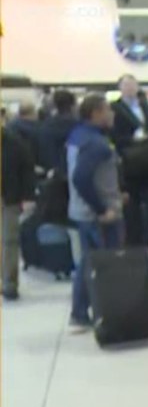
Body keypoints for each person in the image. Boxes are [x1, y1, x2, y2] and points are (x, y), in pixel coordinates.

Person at [67, 95, 126, 331]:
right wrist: (103, 208)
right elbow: (81, 178)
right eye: (107, 110)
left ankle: (80, 312)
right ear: (96, 113)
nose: (112, 114)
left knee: (88, 261)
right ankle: (109, 311)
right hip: (99, 215)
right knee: (107, 264)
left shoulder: (77, 136)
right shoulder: (96, 144)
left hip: (82, 211)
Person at [111, 74, 148, 260]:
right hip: (130, 165)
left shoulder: (146, 107)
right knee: (132, 209)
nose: (130, 88)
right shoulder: (115, 109)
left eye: (132, 85)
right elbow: (115, 136)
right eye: (126, 85)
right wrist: (131, 140)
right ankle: (137, 244)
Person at [1, 129, 37, 301]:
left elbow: (27, 170)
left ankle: (9, 283)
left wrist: (28, 196)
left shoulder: (15, 143)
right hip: (9, 196)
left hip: (8, 198)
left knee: (9, 241)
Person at [39, 90, 79, 177]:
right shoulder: (79, 125)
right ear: (72, 105)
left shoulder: (46, 125)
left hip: (54, 172)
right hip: (76, 170)